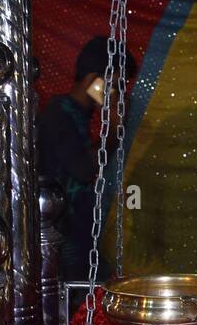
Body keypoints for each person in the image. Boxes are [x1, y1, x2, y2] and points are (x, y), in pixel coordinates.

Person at [36, 36, 137, 287]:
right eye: (114, 86)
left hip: (75, 231)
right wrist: (114, 129)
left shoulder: (77, 114)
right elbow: (82, 170)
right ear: (93, 80)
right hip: (61, 237)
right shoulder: (59, 113)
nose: (117, 95)